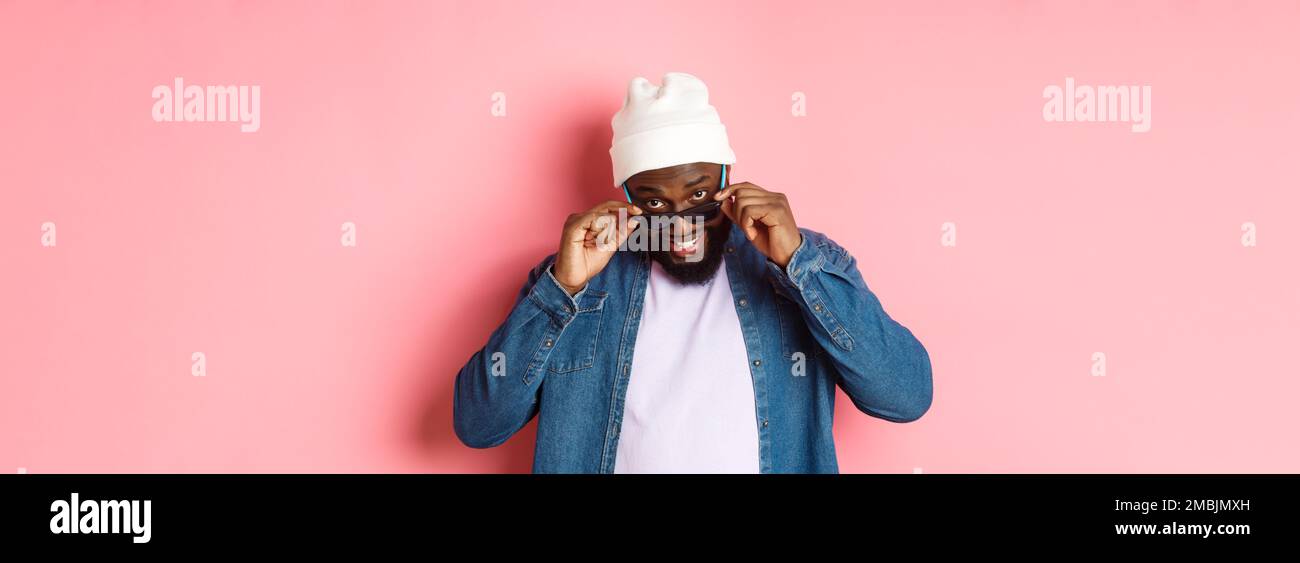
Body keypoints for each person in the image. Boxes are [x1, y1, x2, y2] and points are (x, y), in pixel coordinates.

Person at [453, 72, 932, 473]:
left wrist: (799, 265)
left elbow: (905, 396)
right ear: (627, 197)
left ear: (728, 178)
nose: (681, 223)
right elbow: (478, 425)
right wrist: (563, 289)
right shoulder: (577, 277)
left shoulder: (804, 263)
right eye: (656, 201)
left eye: (700, 196)